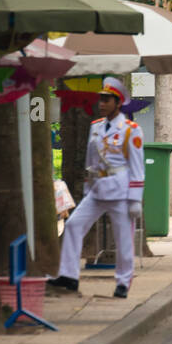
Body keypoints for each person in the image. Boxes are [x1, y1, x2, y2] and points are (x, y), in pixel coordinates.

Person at [47, 76, 145, 298]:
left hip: (120, 190)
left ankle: (123, 282)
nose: (101, 104)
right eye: (100, 99)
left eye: (106, 100)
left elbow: (137, 166)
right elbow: (91, 161)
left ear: (118, 103)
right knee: (73, 225)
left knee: (123, 239)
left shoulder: (131, 130)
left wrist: (135, 198)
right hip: (97, 188)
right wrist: (86, 190)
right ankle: (69, 276)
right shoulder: (96, 127)